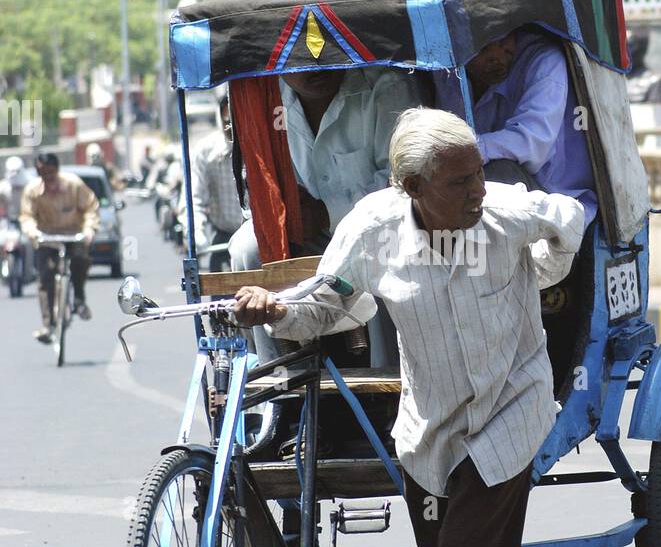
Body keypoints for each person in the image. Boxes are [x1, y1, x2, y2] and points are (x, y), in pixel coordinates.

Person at [233, 107, 586, 547]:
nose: (476, 189)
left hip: (514, 404)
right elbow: (332, 301)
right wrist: (278, 308)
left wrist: (543, 268)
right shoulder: (373, 228)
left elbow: (569, 223)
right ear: (411, 187)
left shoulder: (506, 213)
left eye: (479, 173)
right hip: (430, 425)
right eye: (459, 182)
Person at [229, 62, 427, 364]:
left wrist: (324, 213)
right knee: (248, 246)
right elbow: (253, 189)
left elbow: (402, 187)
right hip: (307, 238)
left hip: (376, 236)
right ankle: (278, 379)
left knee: (390, 247)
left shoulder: (386, 88)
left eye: (322, 52)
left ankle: (388, 382)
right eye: (301, 57)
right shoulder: (266, 97)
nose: (315, 63)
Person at [434, 28, 597, 225]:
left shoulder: (544, 60)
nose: (498, 56)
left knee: (494, 175)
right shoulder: (446, 66)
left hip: (552, 194)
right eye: (485, 47)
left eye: (504, 42)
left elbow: (531, 146)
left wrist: (461, 151)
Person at [20, 152, 100, 340]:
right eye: (42, 173)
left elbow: (91, 208)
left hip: (74, 234)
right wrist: (33, 233)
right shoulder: (32, 190)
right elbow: (26, 216)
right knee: (45, 277)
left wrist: (89, 230)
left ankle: (79, 299)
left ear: (57, 170)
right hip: (47, 238)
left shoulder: (74, 184)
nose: (47, 177)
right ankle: (48, 325)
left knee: (81, 259)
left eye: (50, 172)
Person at [183, 89, 244, 271]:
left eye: (235, 121)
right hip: (224, 241)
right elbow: (194, 200)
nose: (230, 128)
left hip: (261, 239)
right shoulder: (206, 152)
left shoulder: (261, 147)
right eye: (226, 122)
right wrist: (196, 232)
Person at [625, 27, 661, 106]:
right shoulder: (614, 83)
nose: (626, 53)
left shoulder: (656, 82)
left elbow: (659, 114)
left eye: (630, 46)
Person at [0, 156, 27, 223]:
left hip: (28, 219)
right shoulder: (2, 187)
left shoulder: (30, 186)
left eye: (17, 171)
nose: (14, 174)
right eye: (12, 171)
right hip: (10, 221)